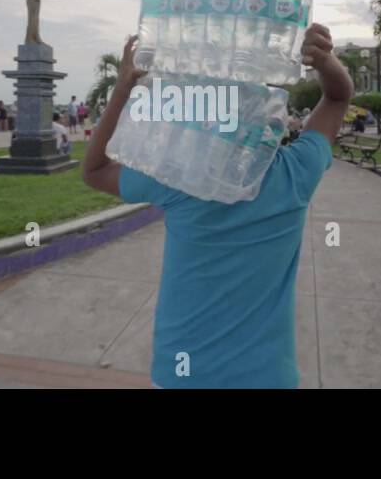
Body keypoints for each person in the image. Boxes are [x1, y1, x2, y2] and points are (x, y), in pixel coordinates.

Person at [82, 24, 352, 388]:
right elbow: (337, 98)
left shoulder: (177, 178)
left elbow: (94, 170)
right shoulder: (294, 174)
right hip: (266, 377)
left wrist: (124, 86)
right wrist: (323, 61)